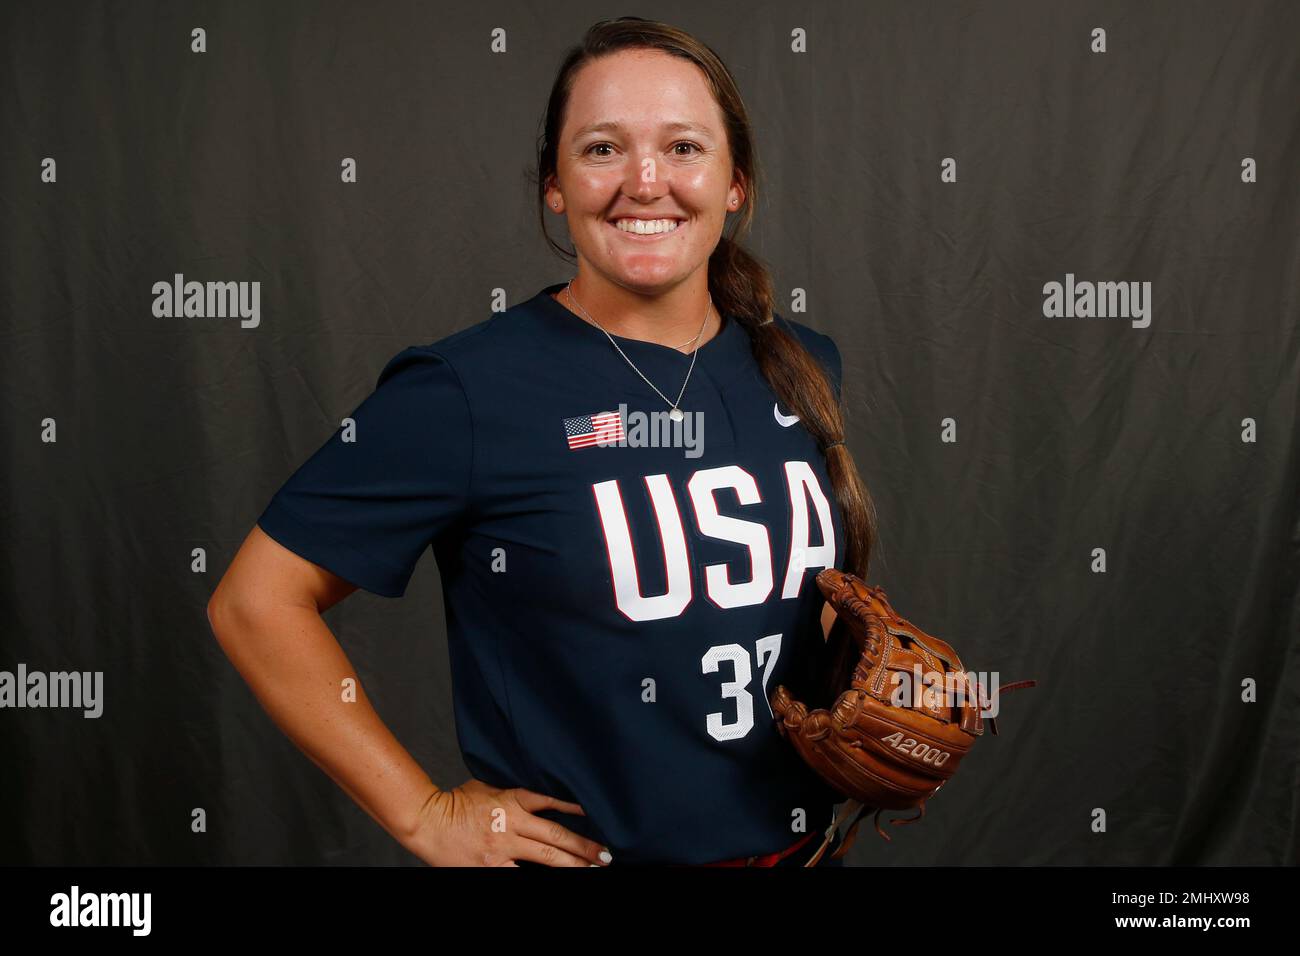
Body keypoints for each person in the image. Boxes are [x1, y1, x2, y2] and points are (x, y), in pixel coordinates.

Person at [207, 16, 879, 867]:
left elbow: (792, 595)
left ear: (735, 181)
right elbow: (255, 601)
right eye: (602, 149)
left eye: (683, 148)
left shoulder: (800, 362)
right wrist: (423, 813)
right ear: (553, 185)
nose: (645, 181)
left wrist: (869, 693)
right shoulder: (468, 390)